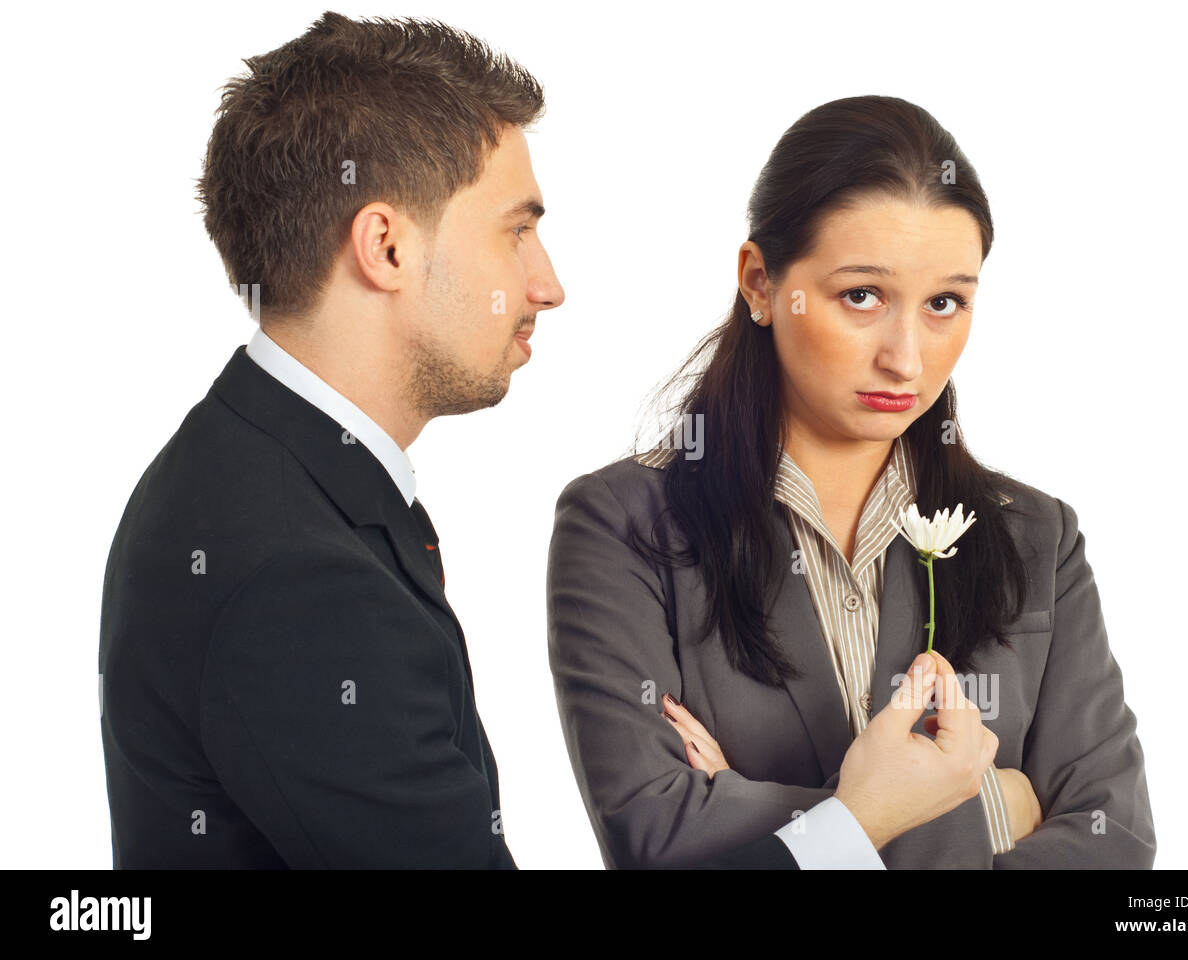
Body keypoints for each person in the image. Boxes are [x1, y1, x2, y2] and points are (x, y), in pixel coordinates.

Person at [98, 13, 991, 869]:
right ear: (386, 246)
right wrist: (863, 817)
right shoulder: (298, 569)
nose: (547, 283)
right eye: (517, 229)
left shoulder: (267, 470)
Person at [546, 95, 1157, 868]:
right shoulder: (624, 525)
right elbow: (657, 840)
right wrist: (996, 807)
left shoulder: (1037, 535)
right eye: (861, 295)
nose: (906, 358)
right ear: (761, 283)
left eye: (945, 303)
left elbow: (1115, 840)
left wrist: (787, 815)